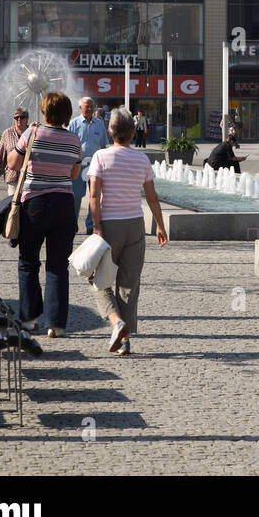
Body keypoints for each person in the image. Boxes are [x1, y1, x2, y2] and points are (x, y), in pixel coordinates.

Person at [87, 108, 168, 356]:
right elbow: (152, 198)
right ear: (133, 132)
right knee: (129, 285)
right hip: (135, 225)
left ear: (110, 131)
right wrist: (160, 226)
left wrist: (96, 225)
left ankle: (116, 322)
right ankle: (126, 340)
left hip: (109, 224)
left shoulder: (100, 157)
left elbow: (93, 195)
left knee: (98, 277)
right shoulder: (141, 160)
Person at [7, 91, 82, 338]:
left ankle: (29, 320)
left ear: (44, 112)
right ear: (67, 113)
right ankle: (56, 324)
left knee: (28, 262)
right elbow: (73, 175)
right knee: (58, 265)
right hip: (64, 205)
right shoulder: (73, 140)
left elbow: (13, 164)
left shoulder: (33, 132)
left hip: (35, 205)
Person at [68, 97, 110, 235]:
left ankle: (91, 224)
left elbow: (103, 146)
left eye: (92, 106)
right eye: (87, 106)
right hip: (78, 165)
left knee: (95, 195)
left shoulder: (99, 124)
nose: (90, 109)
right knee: (76, 196)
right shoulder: (73, 124)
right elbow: (68, 146)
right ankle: (72, 224)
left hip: (95, 165)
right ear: (80, 108)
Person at [0, 107, 29, 197]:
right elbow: (0, 152)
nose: (19, 119)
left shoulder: (32, 132)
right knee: (13, 204)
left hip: (29, 177)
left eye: (22, 117)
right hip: (13, 176)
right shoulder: (7, 133)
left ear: (27, 119)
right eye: (16, 117)